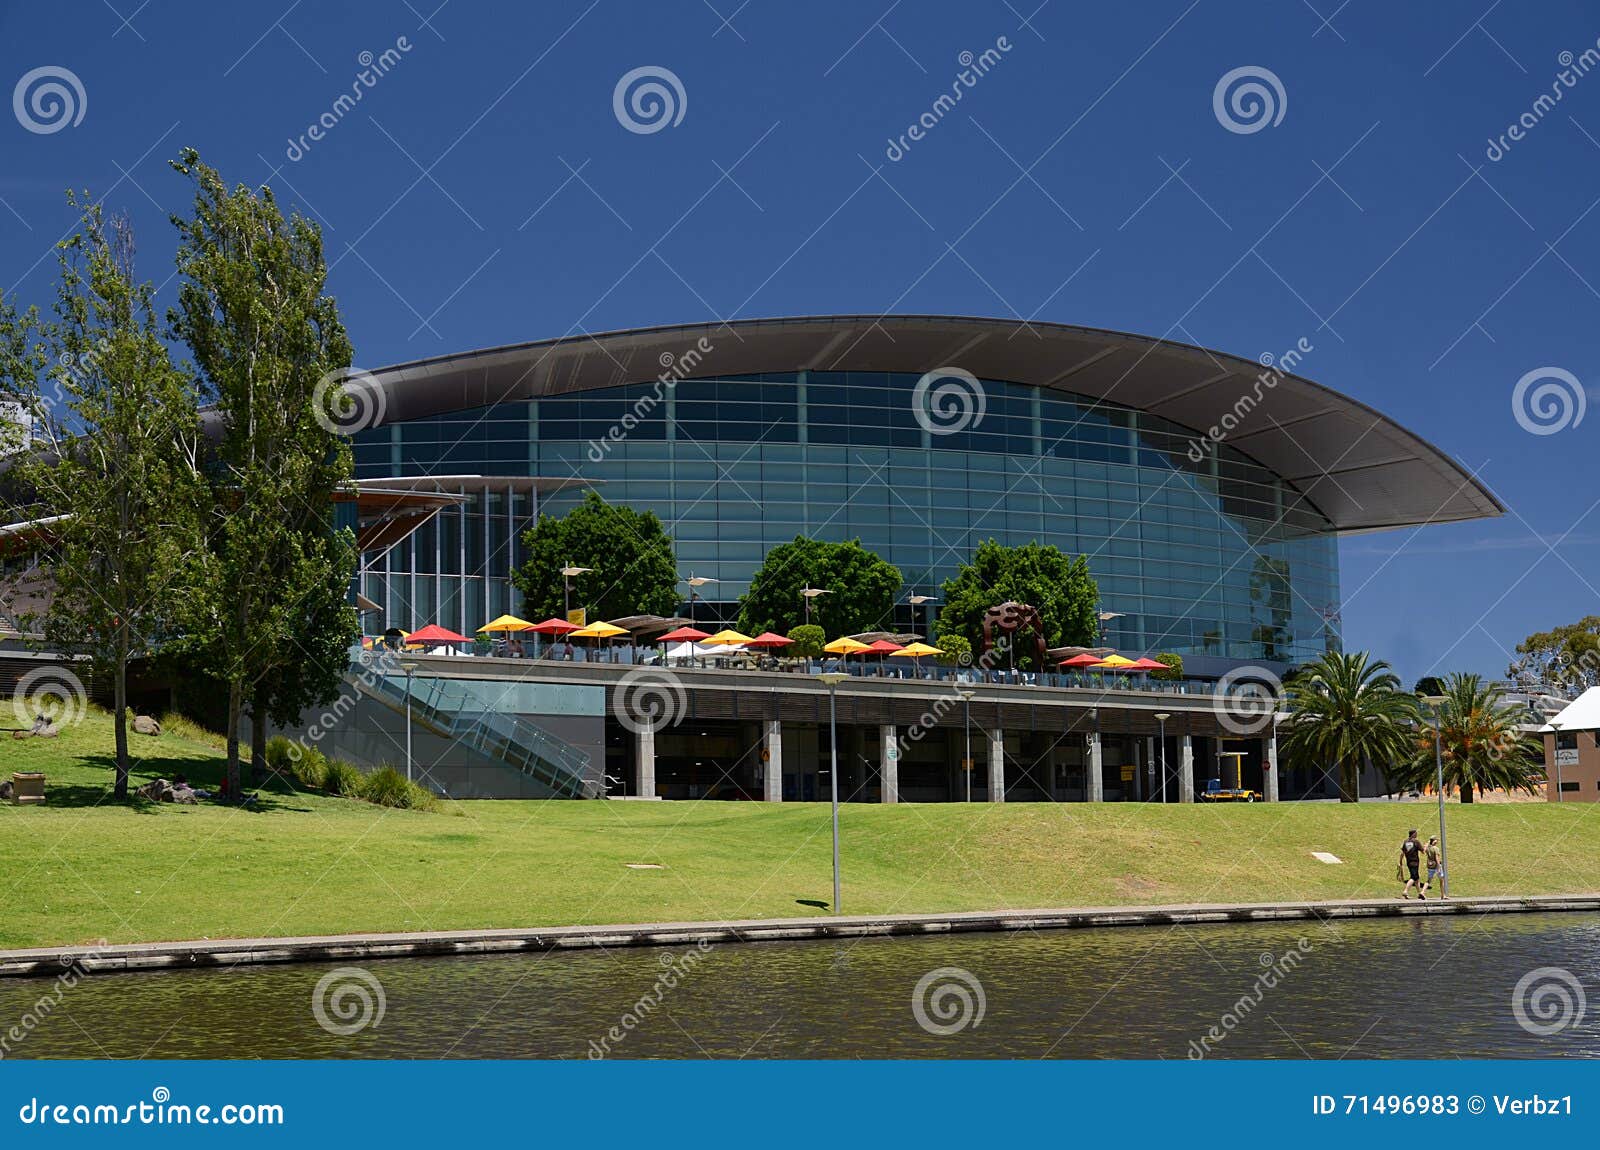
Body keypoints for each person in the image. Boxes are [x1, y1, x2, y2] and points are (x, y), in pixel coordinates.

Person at [1399, 828, 1425, 899]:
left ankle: (1419, 893)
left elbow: (1402, 853)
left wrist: (1400, 861)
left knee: (1417, 878)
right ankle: (1405, 891)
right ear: (1413, 834)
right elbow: (1423, 851)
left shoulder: (1405, 841)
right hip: (1415, 862)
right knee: (1413, 877)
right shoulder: (1416, 841)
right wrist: (1426, 847)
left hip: (1409, 862)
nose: (1417, 834)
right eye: (1416, 833)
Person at [1423, 835, 1445, 899]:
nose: (1437, 841)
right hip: (1436, 865)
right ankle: (1443, 895)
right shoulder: (1435, 848)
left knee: (1429, 880)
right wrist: (1438, 867)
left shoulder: (1428, 848)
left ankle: (1422, 892)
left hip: (1430, 865)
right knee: (1441, 880)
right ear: (1434, 841)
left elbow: (1424, 850)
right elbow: (1437, 858)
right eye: (1436, 840)